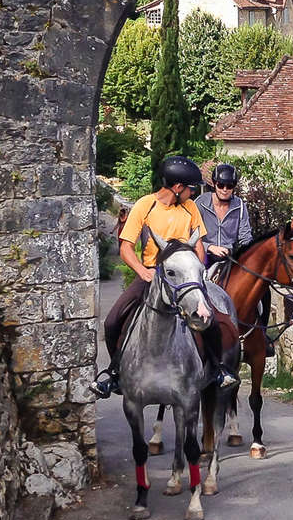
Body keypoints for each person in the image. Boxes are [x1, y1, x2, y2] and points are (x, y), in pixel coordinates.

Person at [95, 155, 237, 399]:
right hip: (152, 274)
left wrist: (198, 271)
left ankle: (217, 369)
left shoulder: (189, 208)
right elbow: (126, 247)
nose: (193, 194)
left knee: (212, 319)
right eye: (191, 189)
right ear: (178, 187)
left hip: (186, 278)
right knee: (112, 321)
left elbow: (199, 244)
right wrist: (143, 271)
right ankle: (116, 372)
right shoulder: (145, 206)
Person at [197, 162, 252, 274]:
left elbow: (245, 237)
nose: (225, 189)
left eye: (229, 186)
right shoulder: (200, 203)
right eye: (221, 185)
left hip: (229, 257)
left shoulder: (240, 205)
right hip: (204, 255)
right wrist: (209, 247)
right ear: (214, 184)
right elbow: (188, 234)